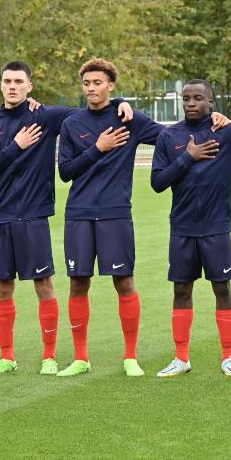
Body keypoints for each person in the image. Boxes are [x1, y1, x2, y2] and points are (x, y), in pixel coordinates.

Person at [0, 60, 133, 376]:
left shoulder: (45, 116)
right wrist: (15, 146)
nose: (12, 86)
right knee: (2, 287)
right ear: (1, 85)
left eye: (19, 81)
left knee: (43, 286)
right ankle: (7, 357)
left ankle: (49, 357)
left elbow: (91, 107)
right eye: (7, 81)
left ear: (30, 86)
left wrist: (120, 102)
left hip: (34, 215)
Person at [54, 59, 168, 377]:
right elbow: (65, 172)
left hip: (115, 212)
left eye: (97, 83)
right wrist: (98, 148)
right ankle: (80, 358)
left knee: (124, 282)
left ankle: (130, 357)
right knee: (78, 283)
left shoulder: (129, 119)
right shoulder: (72, 123)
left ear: (111, 86)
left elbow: (169, 137)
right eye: (87, 83)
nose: (91, 88)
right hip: (78, 213)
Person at [151, 80, 231, 377]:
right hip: (182, 227)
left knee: (221, 288)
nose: (190, 103)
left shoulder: (228, 132)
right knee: (181, 289)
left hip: (216, 227)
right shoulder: (169, 136)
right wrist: (188, 157)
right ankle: (181, 358)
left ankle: (228, 357)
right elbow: (158, 183)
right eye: (186, 98)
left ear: (210, 102)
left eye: (198, 98)